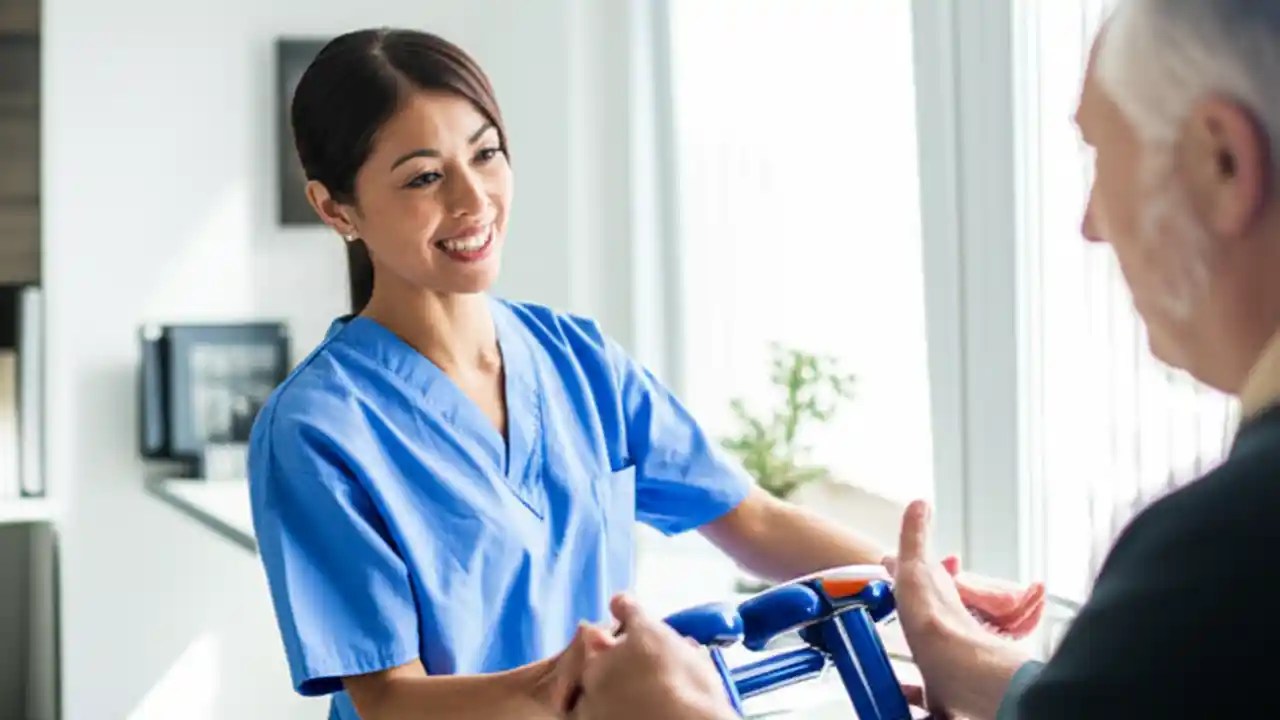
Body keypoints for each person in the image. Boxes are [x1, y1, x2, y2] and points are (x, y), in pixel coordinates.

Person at [246, 27, 1044, 720]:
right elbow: (389, 701)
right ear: (336, 209)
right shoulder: (318, 428)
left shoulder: (577, 360)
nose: (473, 198)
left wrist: (923, 590)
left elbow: (751, 521)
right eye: (423, 176)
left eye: (486, 154)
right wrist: (581, 685)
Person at [568, 0, 1280, 717]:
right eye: (441, 173)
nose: (1090, 223)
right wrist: (993, 674)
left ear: (1223, 162)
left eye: (1102, 157)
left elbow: (751, 516)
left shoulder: (1221, 558)